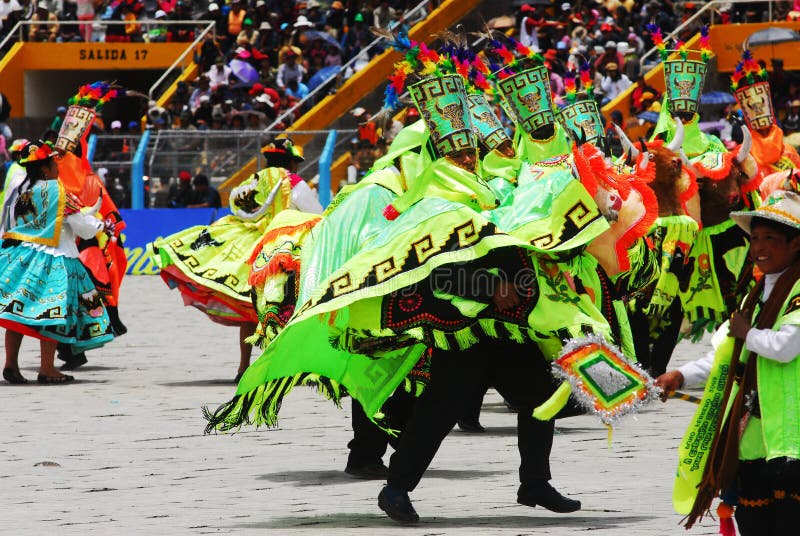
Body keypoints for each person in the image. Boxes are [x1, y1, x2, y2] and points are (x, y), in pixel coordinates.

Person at [654, 176, 800, 535]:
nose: (760, 248)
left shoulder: (795, 293)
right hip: (754, 440)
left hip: (793, 442)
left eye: (771, 240)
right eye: (756, 239)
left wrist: (746, 333)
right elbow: (726, 355)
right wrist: (682, 376)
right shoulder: (756, 296)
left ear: (796, 244)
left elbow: (784, 347)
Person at [1, 142, 114, 384]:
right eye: (54, 164)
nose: (58, 168)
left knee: (16, 312)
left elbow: (6, 221)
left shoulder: (16, 186)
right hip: (55, 257)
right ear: (45, 168)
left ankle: (11, 364)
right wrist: (103, 226)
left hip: (19, 256)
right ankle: (47, 368)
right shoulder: (58, 191)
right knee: (53, 313)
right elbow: (82, 227)